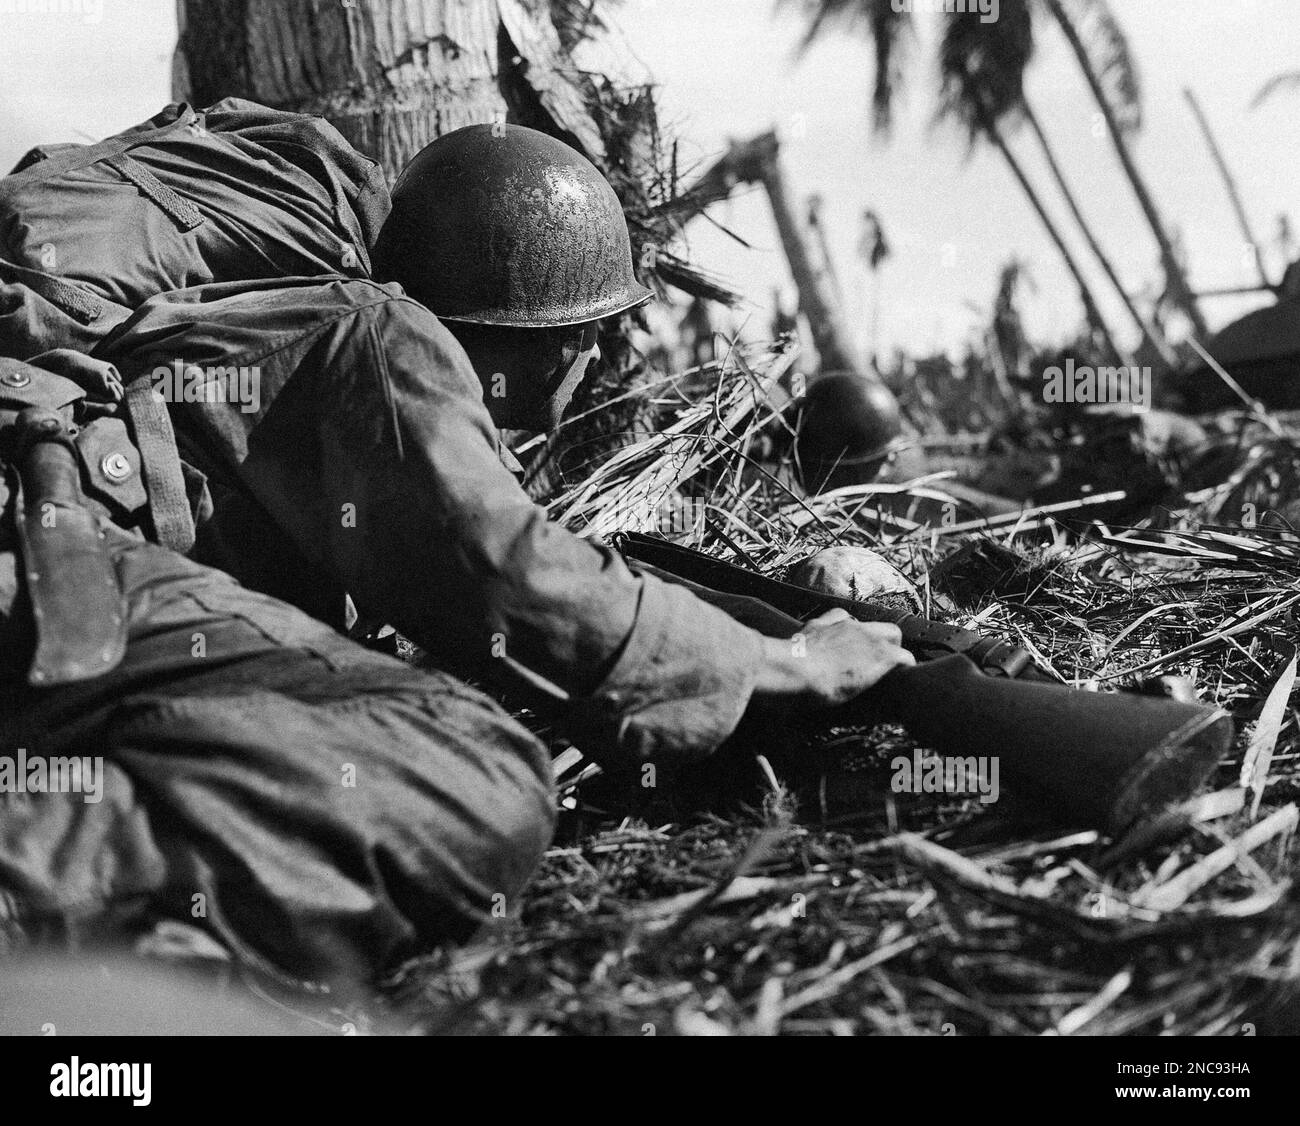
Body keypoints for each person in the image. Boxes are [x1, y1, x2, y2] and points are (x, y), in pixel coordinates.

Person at [0, 105, 914, 987]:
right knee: (475, 772)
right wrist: (770, 659)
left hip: (54, 576)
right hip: (43, 561)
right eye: (588, 337)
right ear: (539, 344)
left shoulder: (259, 308)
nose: (593, 361)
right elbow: (495, 566)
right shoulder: (376, 331)